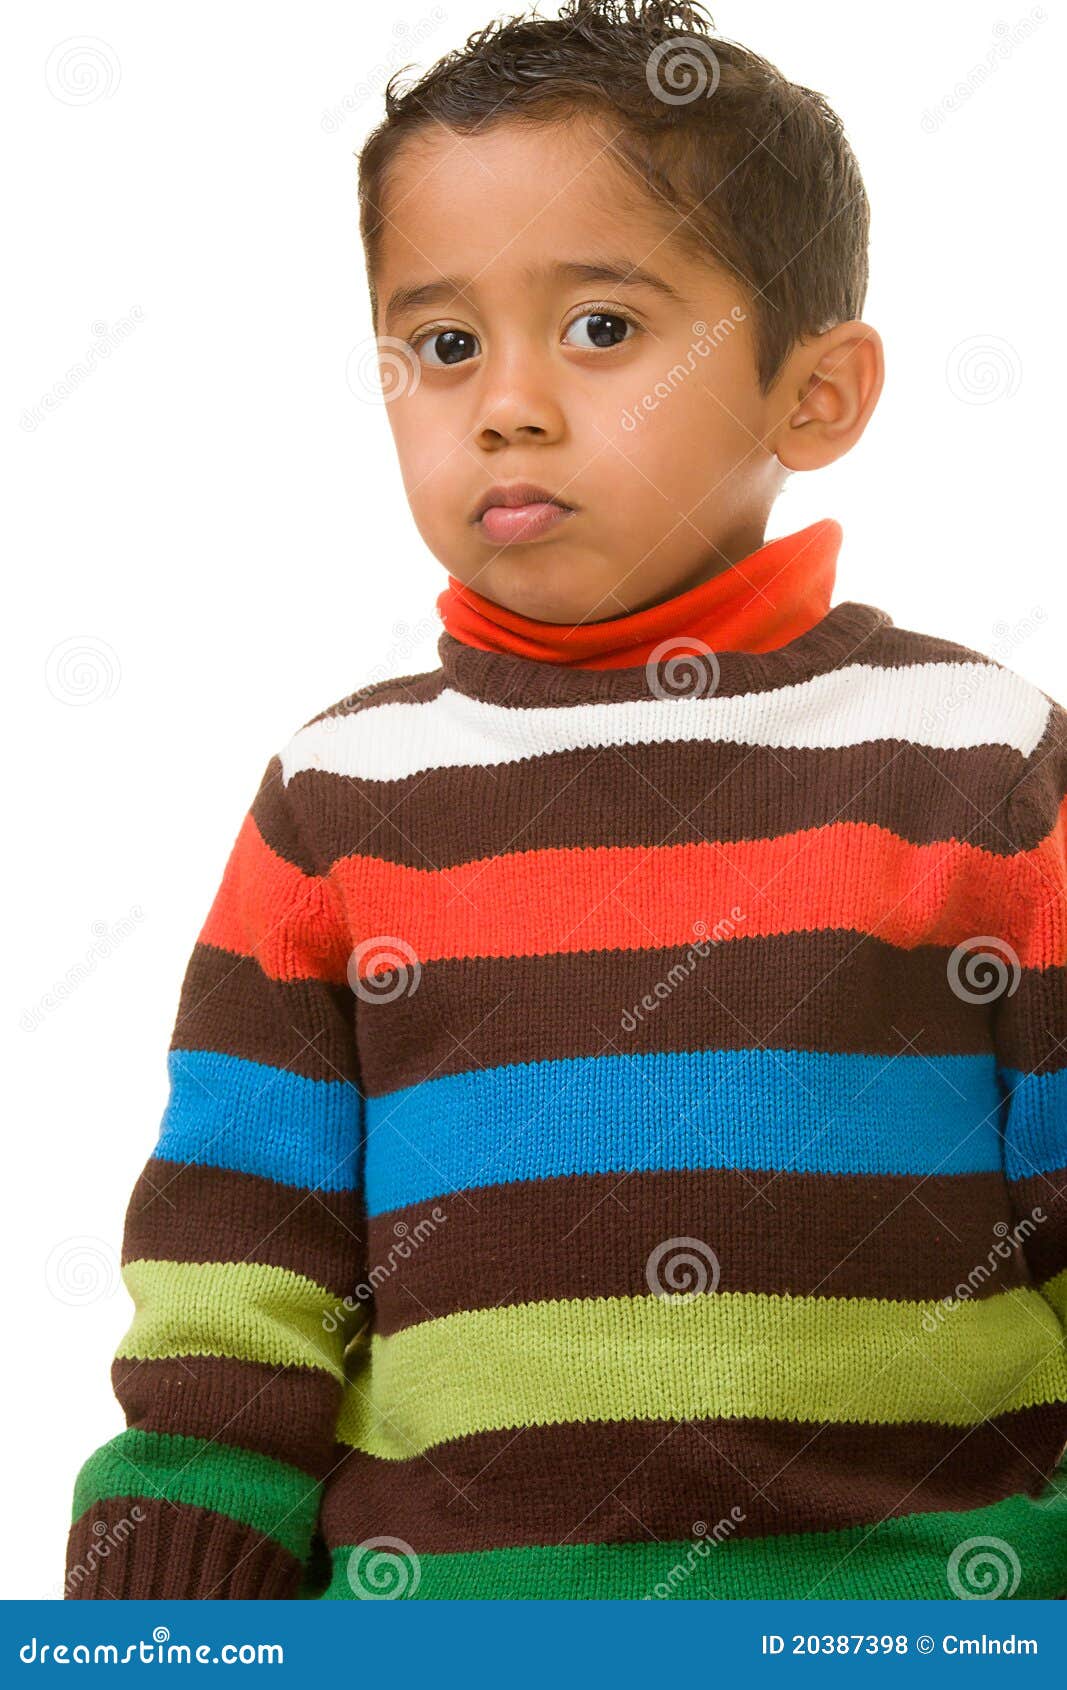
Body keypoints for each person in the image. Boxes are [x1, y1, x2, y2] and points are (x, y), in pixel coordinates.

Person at [65, 0, 1067, 1600]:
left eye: (603, 327)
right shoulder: (339, 801)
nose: (507, 403)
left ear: (817, 392)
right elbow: (233, 1288)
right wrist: (169, 1612)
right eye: (443, 342)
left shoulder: (984, 765)